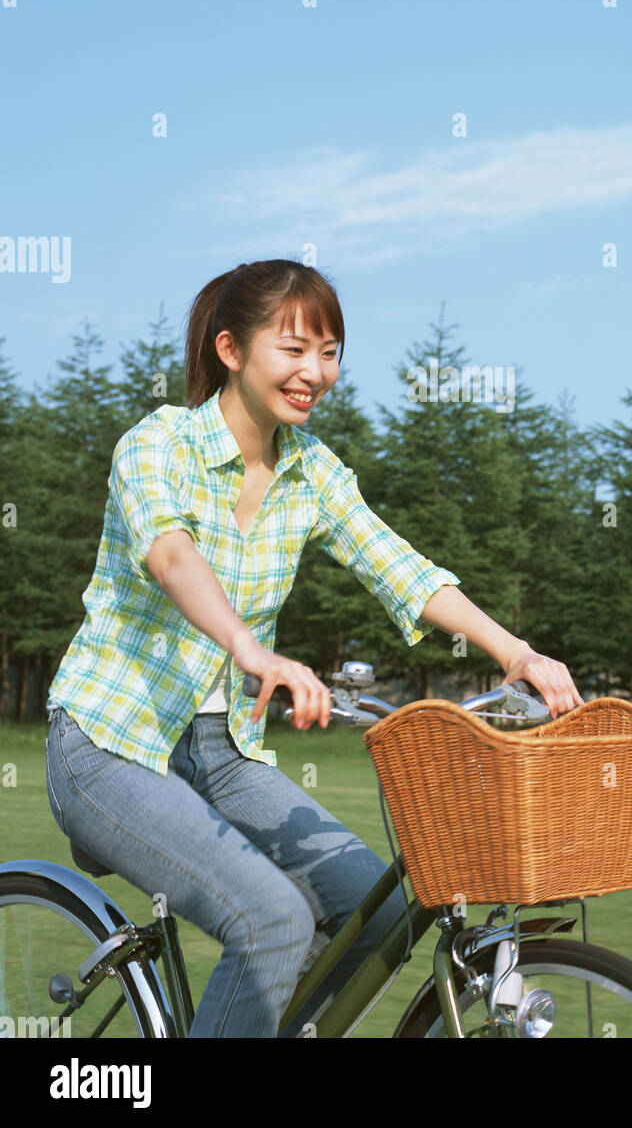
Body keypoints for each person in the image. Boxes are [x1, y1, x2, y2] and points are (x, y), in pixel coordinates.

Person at [44, 258, 583, 1037]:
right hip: (108, 743)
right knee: (271, 920)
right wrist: (249, 649)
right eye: (294, 349)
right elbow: (170, 555)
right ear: (231, 350)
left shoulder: (313, 473)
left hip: (221, 751)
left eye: (330, 352)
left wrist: (514, 651)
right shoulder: (158, 443)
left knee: (389, 909)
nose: (315, 372)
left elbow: (400, 566)